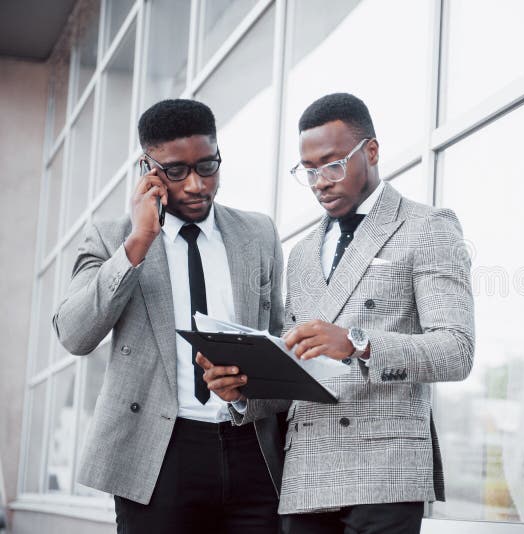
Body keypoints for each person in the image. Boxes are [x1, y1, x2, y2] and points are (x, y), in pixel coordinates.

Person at [200, 92, 475, 534]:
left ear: (371, 151)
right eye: (307, 170)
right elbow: (298, 370)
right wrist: (243, 393)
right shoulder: (304, 252)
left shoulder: (427, 226)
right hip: (306, 472)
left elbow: (457, 350)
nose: (319, 182)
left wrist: (357, 343)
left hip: (385, 470)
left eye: (331, 164)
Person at [52, 99, 285, 534]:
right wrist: (139, 241)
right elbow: (74, 334)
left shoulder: (258, 234)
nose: (197, 184)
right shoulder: (112, 237)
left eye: (208, 166)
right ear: (149, 168)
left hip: (250, 444)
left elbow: (277, 339)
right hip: (156, 453)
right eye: (176, 171)